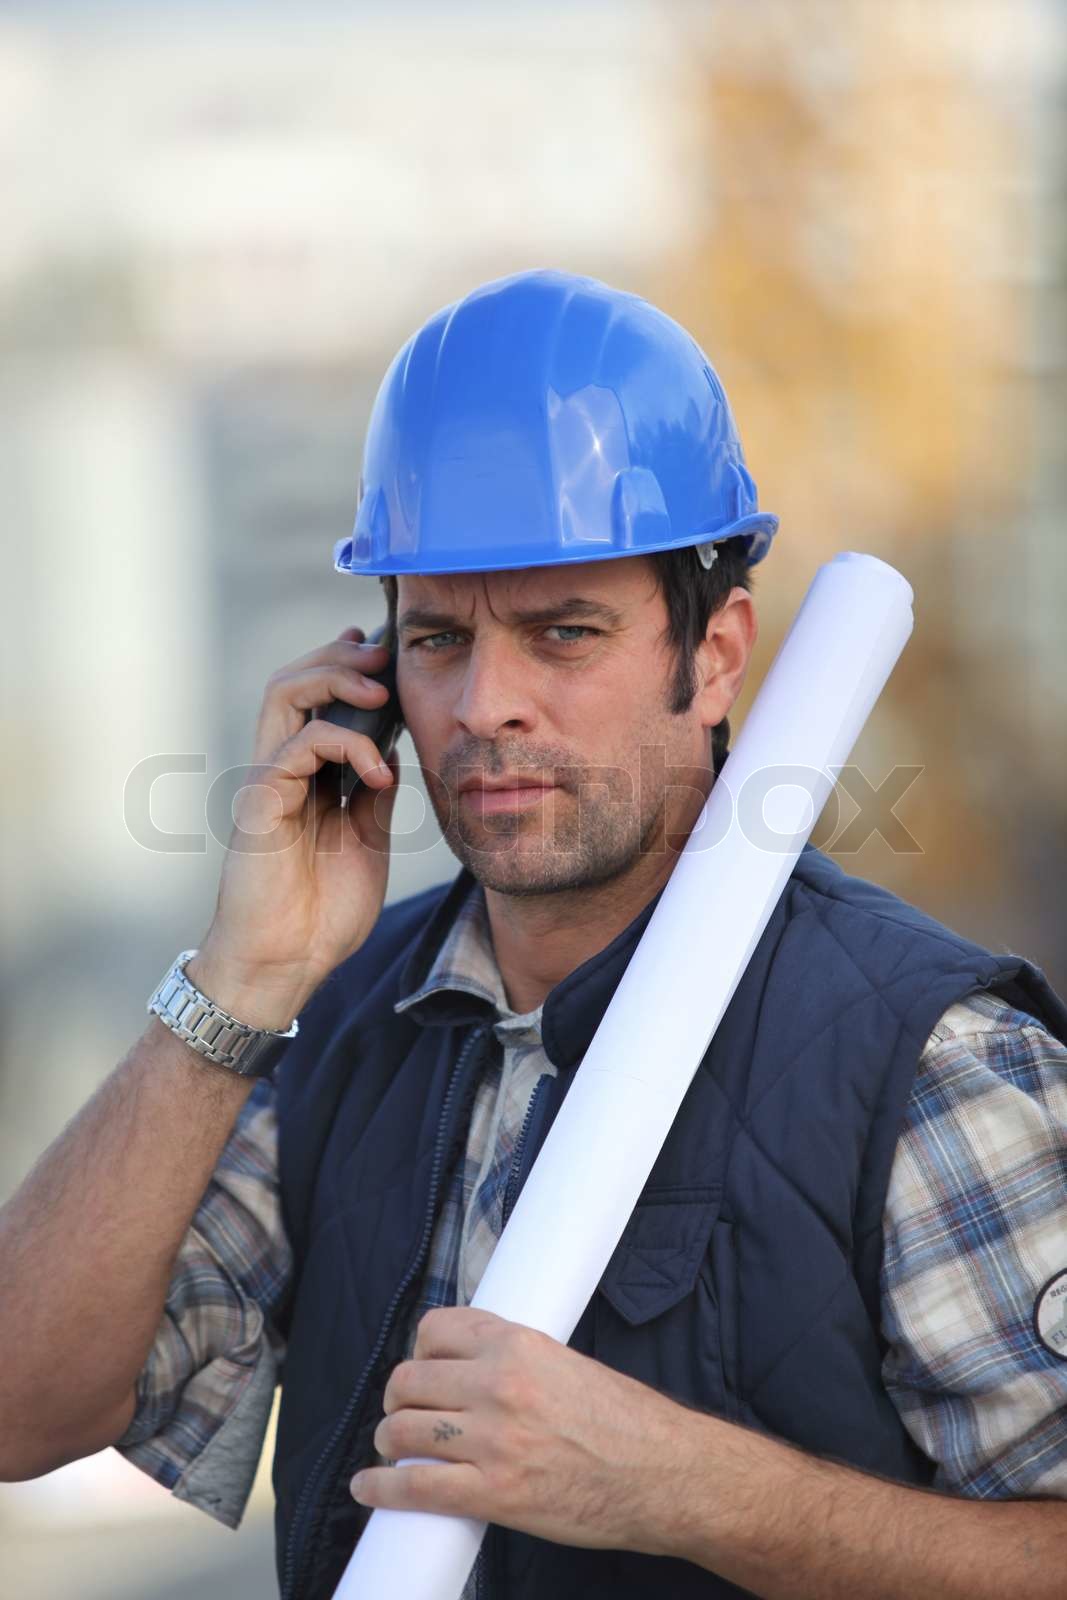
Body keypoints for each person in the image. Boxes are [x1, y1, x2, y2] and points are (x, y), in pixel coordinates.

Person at [1, 270, 1065, 1600]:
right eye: (439, 639)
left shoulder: (928, 1058)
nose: (485, 704)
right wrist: (241, 979)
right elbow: (23, 1411)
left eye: (564, 632)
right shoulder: (335, 1025)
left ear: (718, 651)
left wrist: (689, 1489)